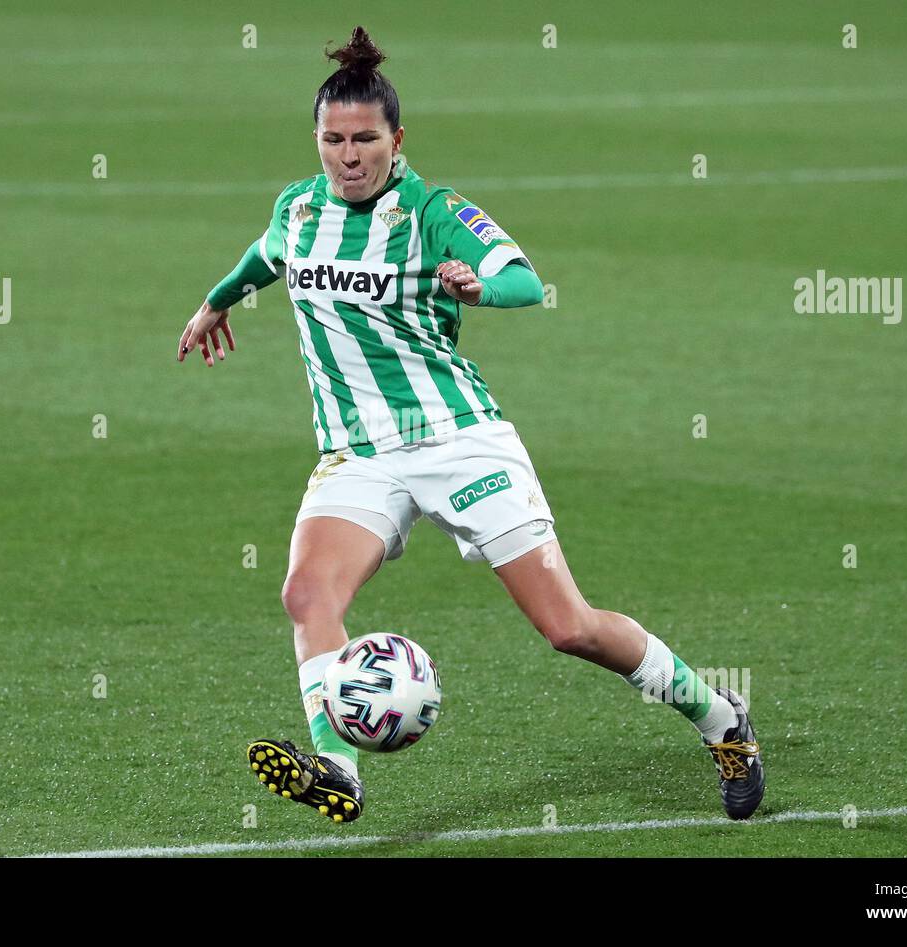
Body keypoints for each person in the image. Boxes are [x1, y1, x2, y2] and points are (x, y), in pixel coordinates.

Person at [176, 26, 764, 825]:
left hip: (459, 441)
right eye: (332, 141)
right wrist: (217, 301)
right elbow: (266, 255)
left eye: (364, 140)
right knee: (308, 594)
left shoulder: (433, 211)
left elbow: (523, 279)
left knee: (569, 627)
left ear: (397, 139)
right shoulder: (298, 208)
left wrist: (479, 288)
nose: (348, 157)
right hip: (359, 454)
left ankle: (720, 718)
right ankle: (338, 767)